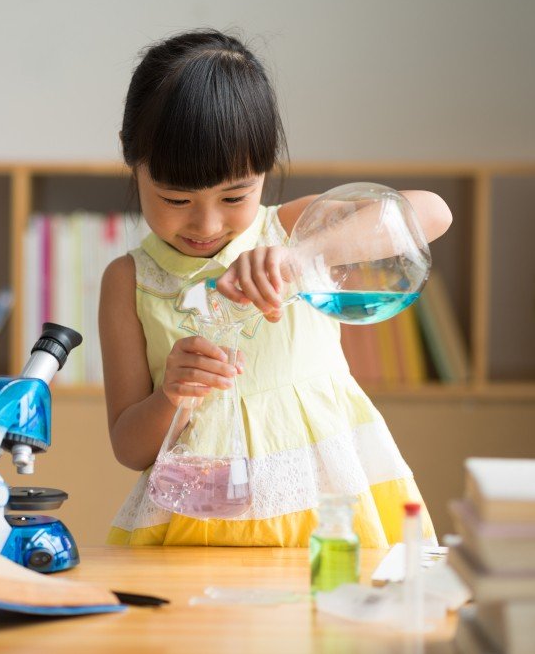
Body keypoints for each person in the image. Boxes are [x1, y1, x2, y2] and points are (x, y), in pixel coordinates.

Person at [99, 29, 451, 547]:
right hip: (201, 522)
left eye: (235, 196)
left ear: (265, 172)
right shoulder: (128, 281)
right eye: (175, 200)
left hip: (329, 508)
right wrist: (172, 395)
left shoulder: (291, 229)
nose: (207, 223)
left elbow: (433, 212)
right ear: (135, 166)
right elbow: (130, 448)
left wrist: (302, 255)